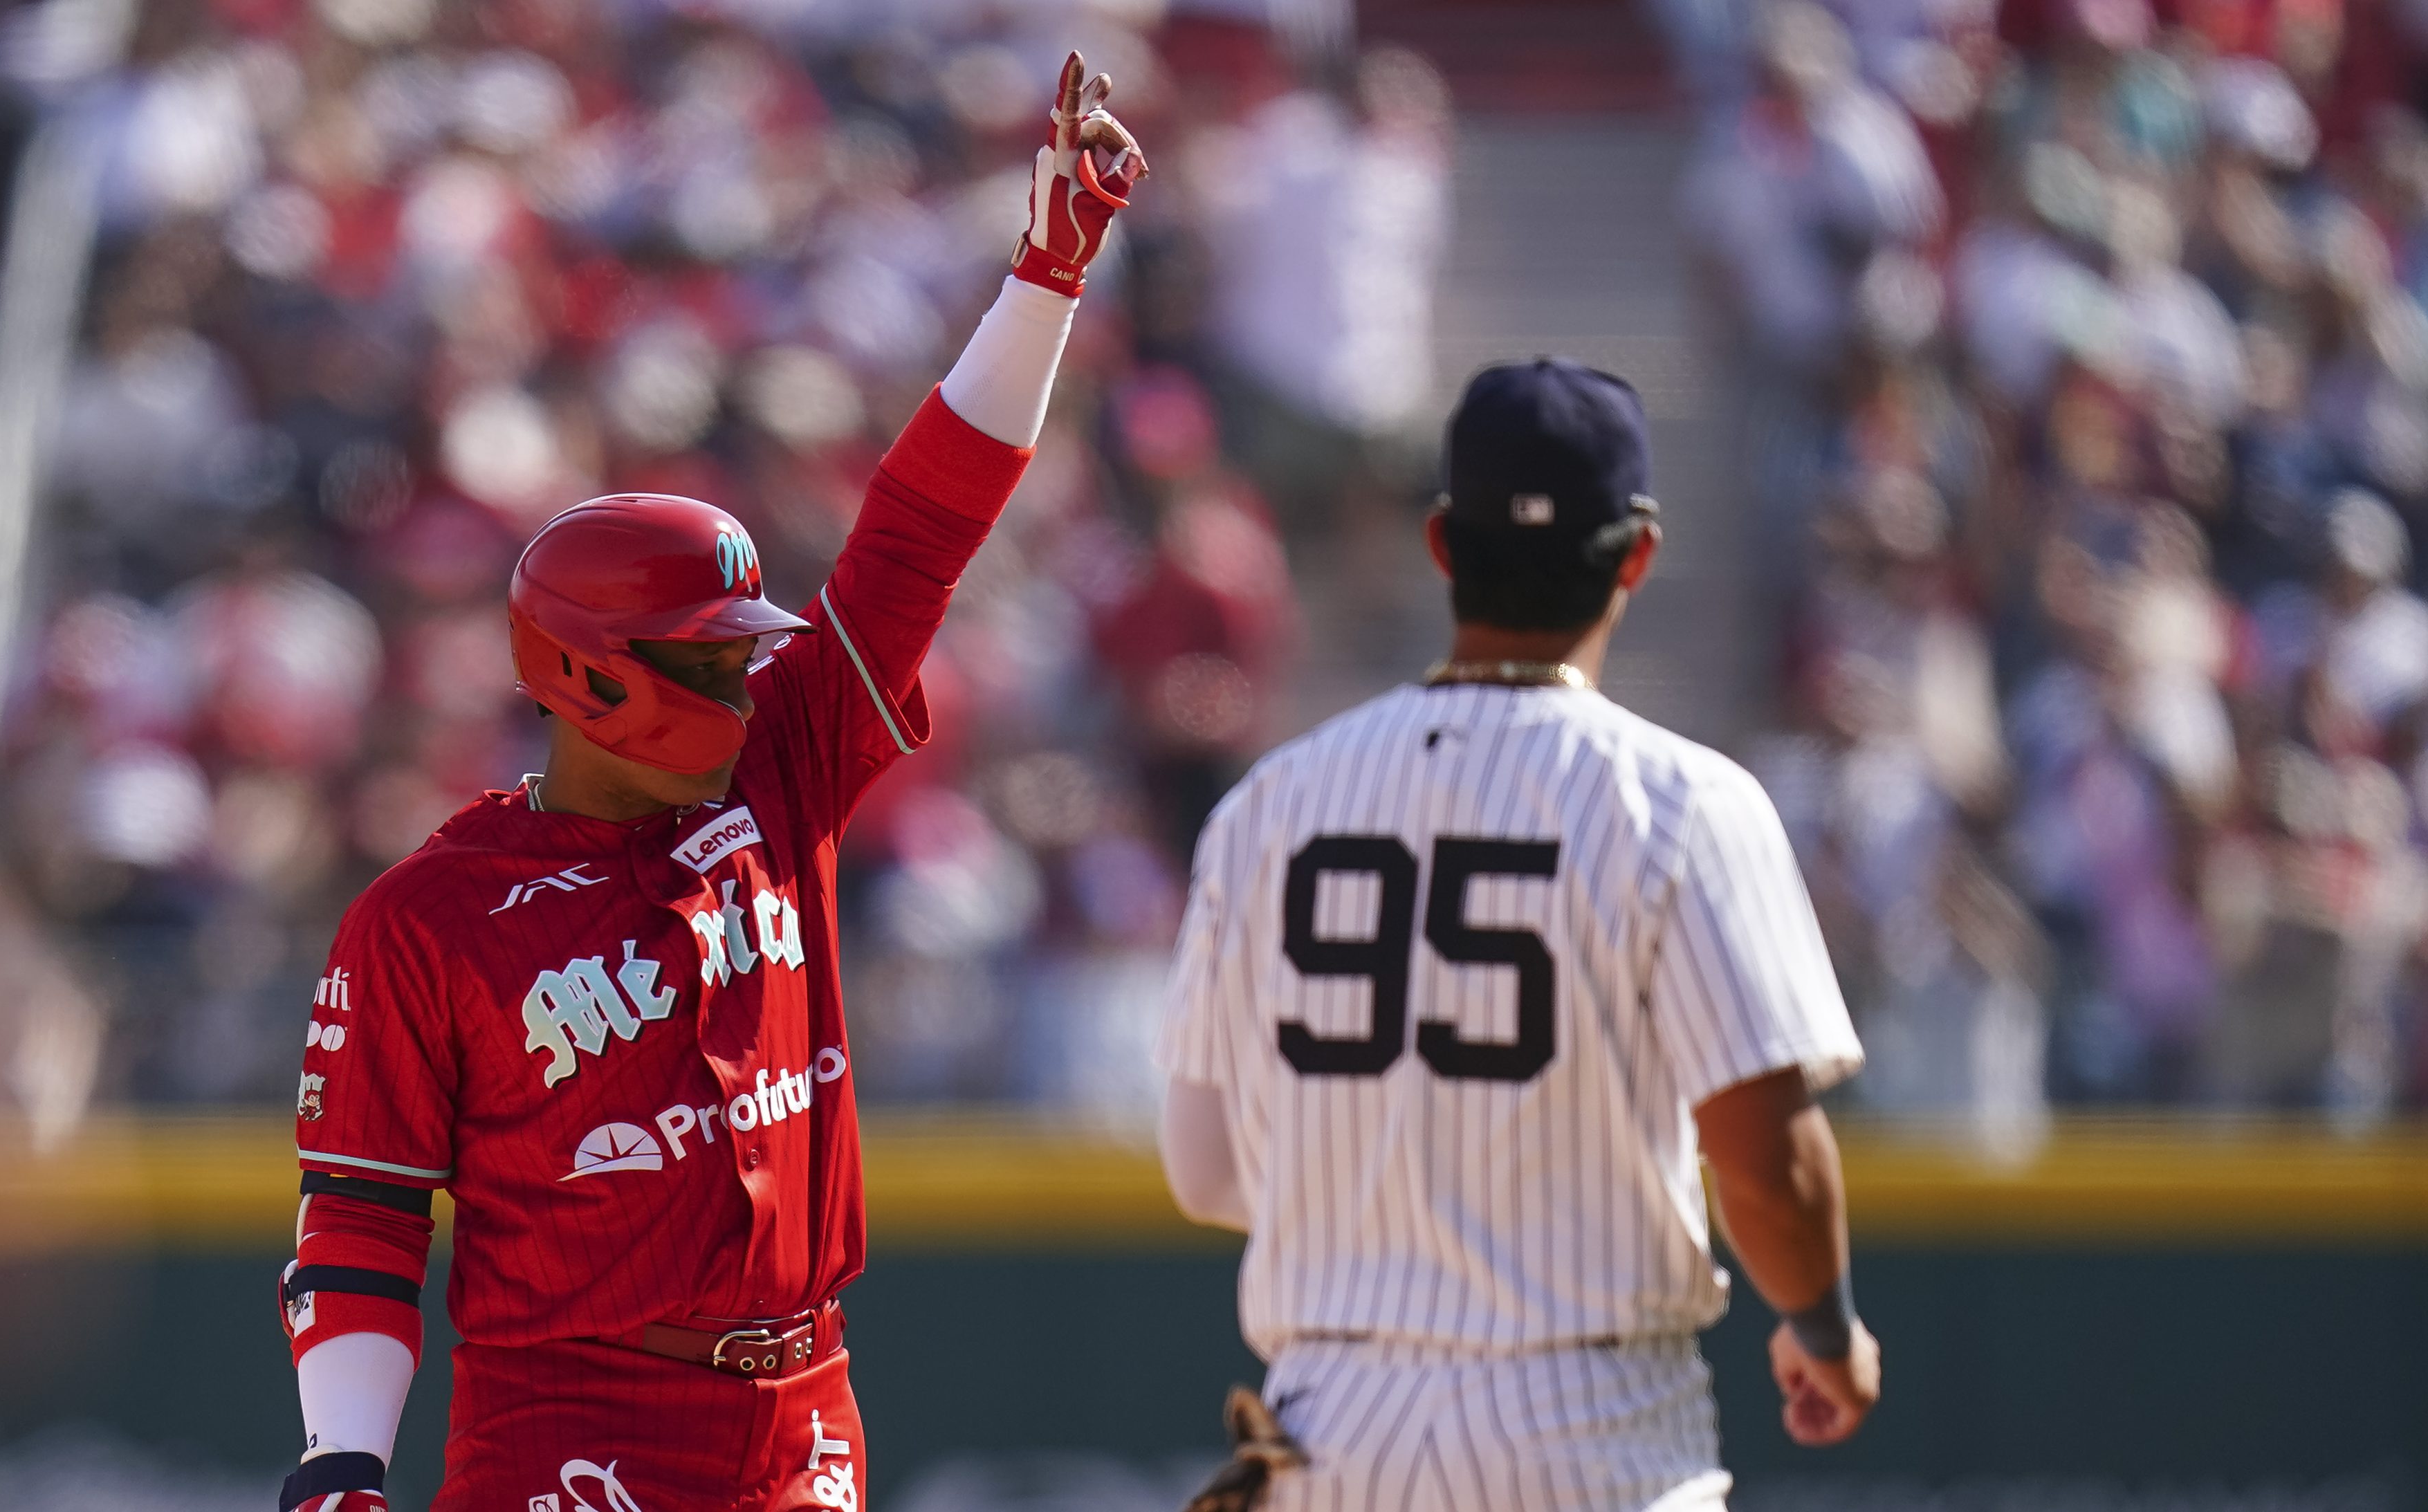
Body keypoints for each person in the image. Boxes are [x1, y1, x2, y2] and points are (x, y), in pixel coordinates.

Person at [271, 55, 1145, 1512]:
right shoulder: (428, 919)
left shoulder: (786, 766)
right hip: (567, 1417)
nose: (749, 687)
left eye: (744, 655)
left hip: (804, 1409)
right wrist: (342, 1457)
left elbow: (916, 537)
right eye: (708, 661)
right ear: (587, 676)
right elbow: (360, 1210)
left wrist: (1044, 280)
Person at [1156, 360, 1879, 1511]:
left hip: (1336, 1429)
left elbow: (1204, 1170)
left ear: (1443, 545)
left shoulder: (1269, 804)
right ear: (1637, 553)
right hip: (1588, 1430)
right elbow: (1765, 1161)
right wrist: (1823, 1326)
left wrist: (1398, 1203)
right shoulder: (1685, 802)